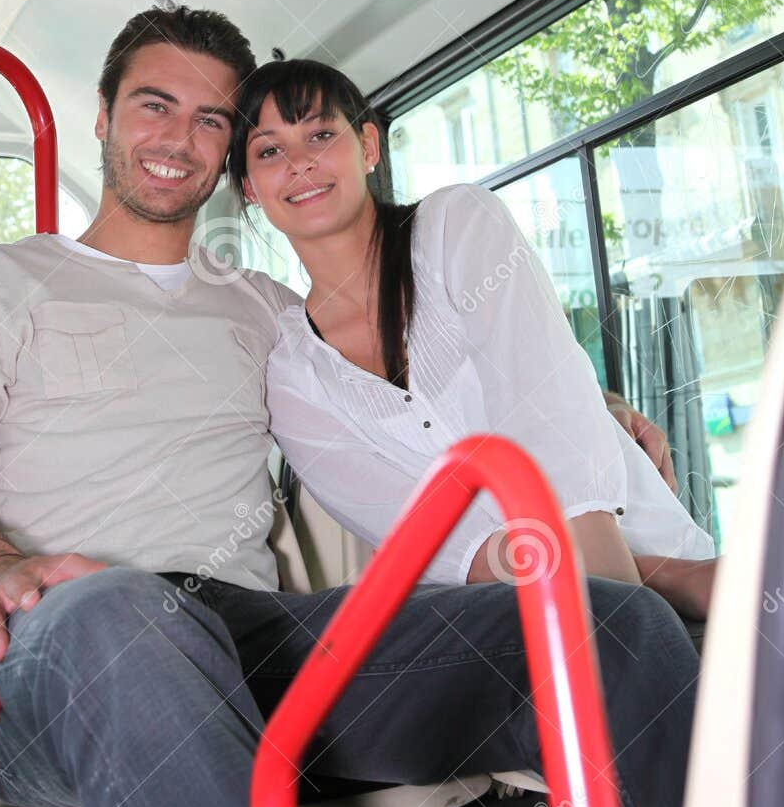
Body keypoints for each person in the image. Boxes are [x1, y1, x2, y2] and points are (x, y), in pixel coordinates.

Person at [0, 6, 701, 807]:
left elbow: (404, 377)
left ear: (230, 159)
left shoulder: (263, 311)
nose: (178, 139)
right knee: (120, 612)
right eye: (154, 106)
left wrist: (592, 401)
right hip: (64, 637)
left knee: (606, 623)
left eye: (211, 120)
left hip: (254, 642)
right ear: (103, 117)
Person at [229, 58, 717, 620]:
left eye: (320, 135)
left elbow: (548, 412)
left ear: (367, 146)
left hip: (663, 577)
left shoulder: (456, 226)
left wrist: (629, 596)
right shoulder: (292, 374)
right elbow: (421, 533)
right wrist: (658, 582)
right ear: (249, 188)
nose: (300, 163)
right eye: (270, 151)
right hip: (524, 620)